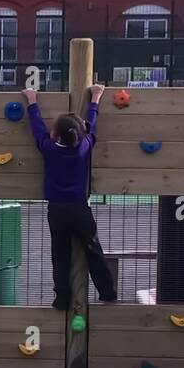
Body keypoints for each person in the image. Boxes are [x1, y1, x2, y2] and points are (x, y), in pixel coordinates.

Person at [24, 84, 118, 311]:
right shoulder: (84, 147)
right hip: (79, 208)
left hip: (57, 210)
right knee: (93, 248)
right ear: (80, 132)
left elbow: (37, 127)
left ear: (54, 134)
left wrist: (32, 101)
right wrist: (95, 98)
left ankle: (62, 298)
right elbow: (92, 124)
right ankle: (107, 291)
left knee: (60, 253)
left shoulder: (48, 148)